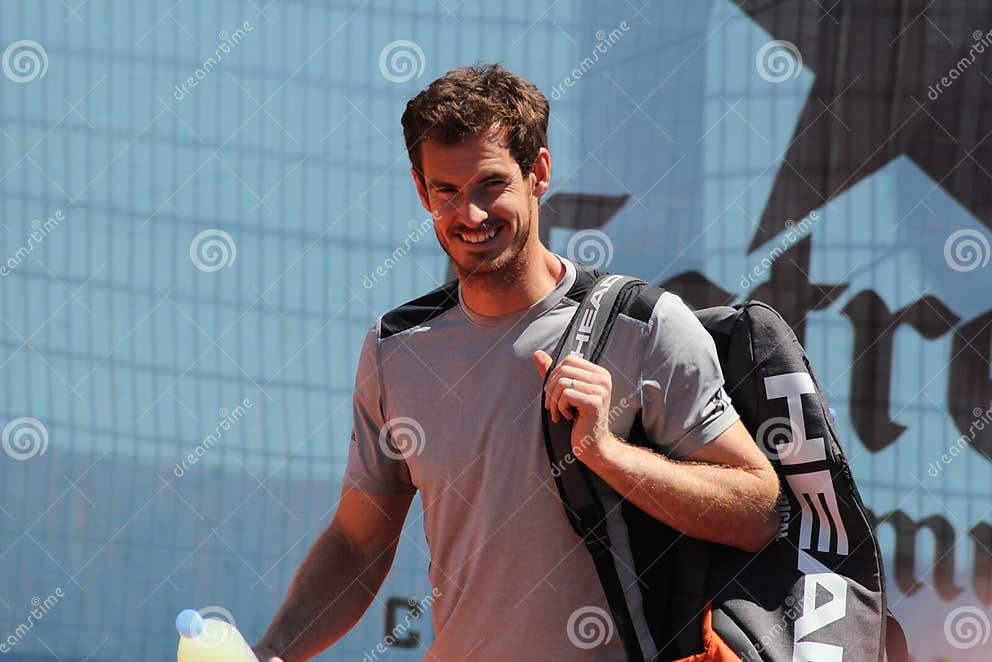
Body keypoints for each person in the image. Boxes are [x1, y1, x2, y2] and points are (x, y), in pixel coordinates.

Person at [253, 63, 779, 662]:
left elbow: (759, 510)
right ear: (422, 193)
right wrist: (273, 651)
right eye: (446, 191)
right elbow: (357, 541)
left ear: (539, 174)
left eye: (490, 185)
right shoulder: (395, 347)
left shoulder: (646, 325)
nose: (469, 214)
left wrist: (608, 454)